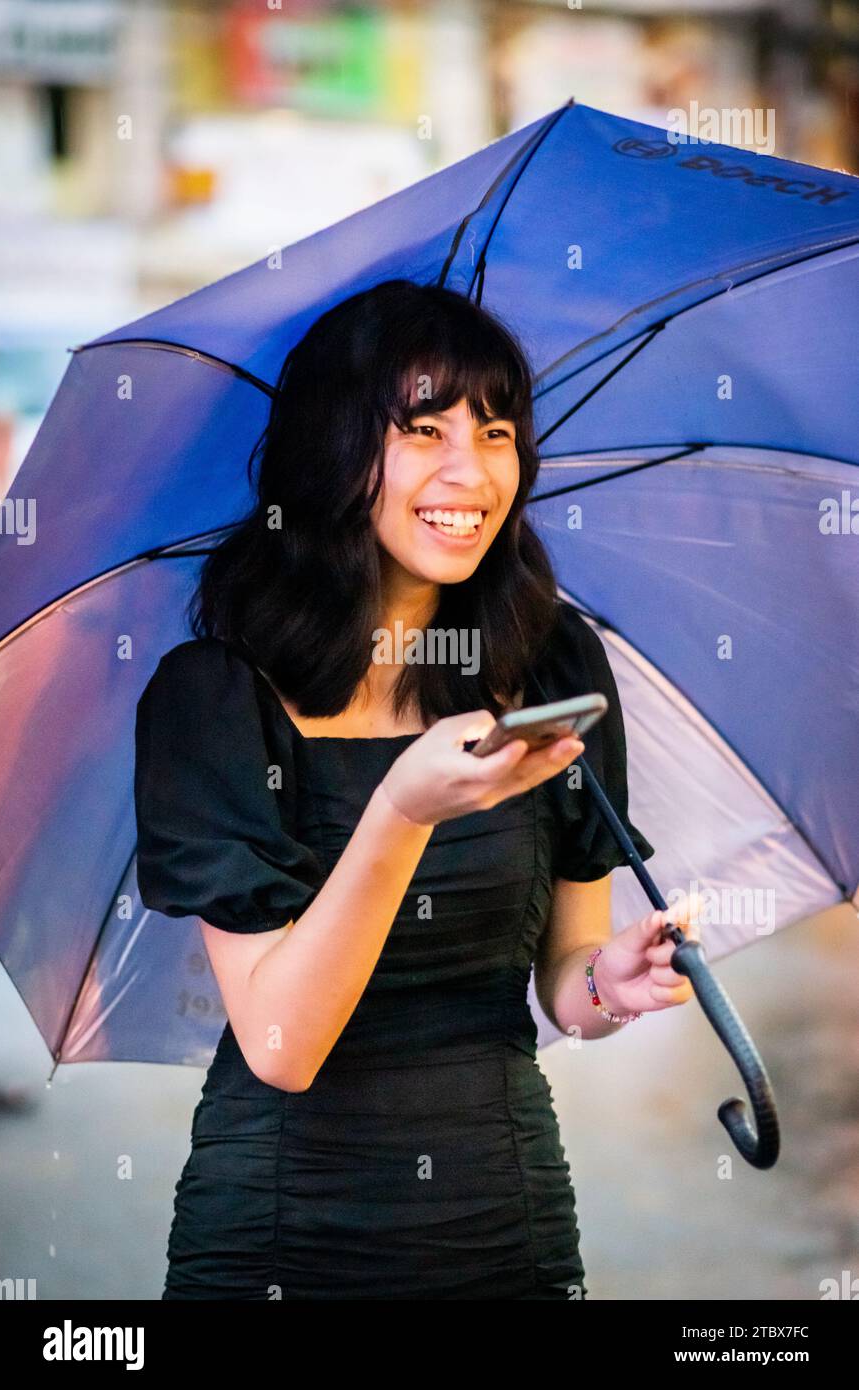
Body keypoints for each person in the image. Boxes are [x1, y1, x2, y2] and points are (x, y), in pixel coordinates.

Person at [134, 278, 699, 1301]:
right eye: (422, 428)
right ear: (337, 453)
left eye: (494, 431)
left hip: (502, 1217)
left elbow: (562, 976)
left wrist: (604, 985)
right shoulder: (215, 698)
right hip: (280, 1230)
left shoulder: (552, 661)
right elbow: (280, 1044)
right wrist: (401, 810)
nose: (468, 471)